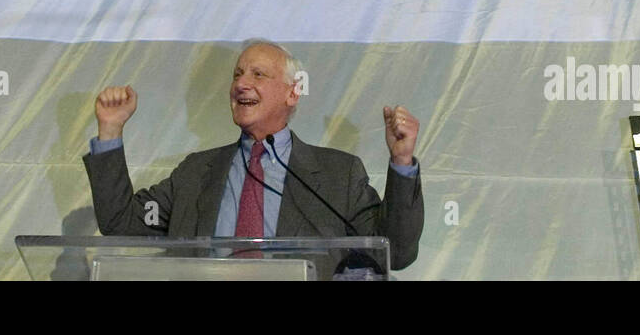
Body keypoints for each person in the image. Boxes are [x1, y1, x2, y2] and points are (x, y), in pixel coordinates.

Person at [84, 41, 424, 270]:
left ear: (293, 93)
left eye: (257, 75)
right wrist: (110, 132)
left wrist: (402, 160)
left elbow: (397, 251)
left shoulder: (339, 174)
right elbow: (121, 222)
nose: (241, 84)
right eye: (237, 74)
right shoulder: (194, 173)